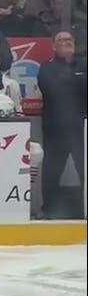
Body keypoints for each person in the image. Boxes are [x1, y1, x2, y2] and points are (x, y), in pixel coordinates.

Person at [36, 31, 86, 218]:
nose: (66, 42)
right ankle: (48, 209)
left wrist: (70, 80)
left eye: (69, 40)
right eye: (61, 40)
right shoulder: (46, 68)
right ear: (53, 46)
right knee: (51, 171)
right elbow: (51, 88)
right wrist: (76, 80)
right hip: (55, 130)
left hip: (82, 128)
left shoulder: (84, 64)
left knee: (85, 169)